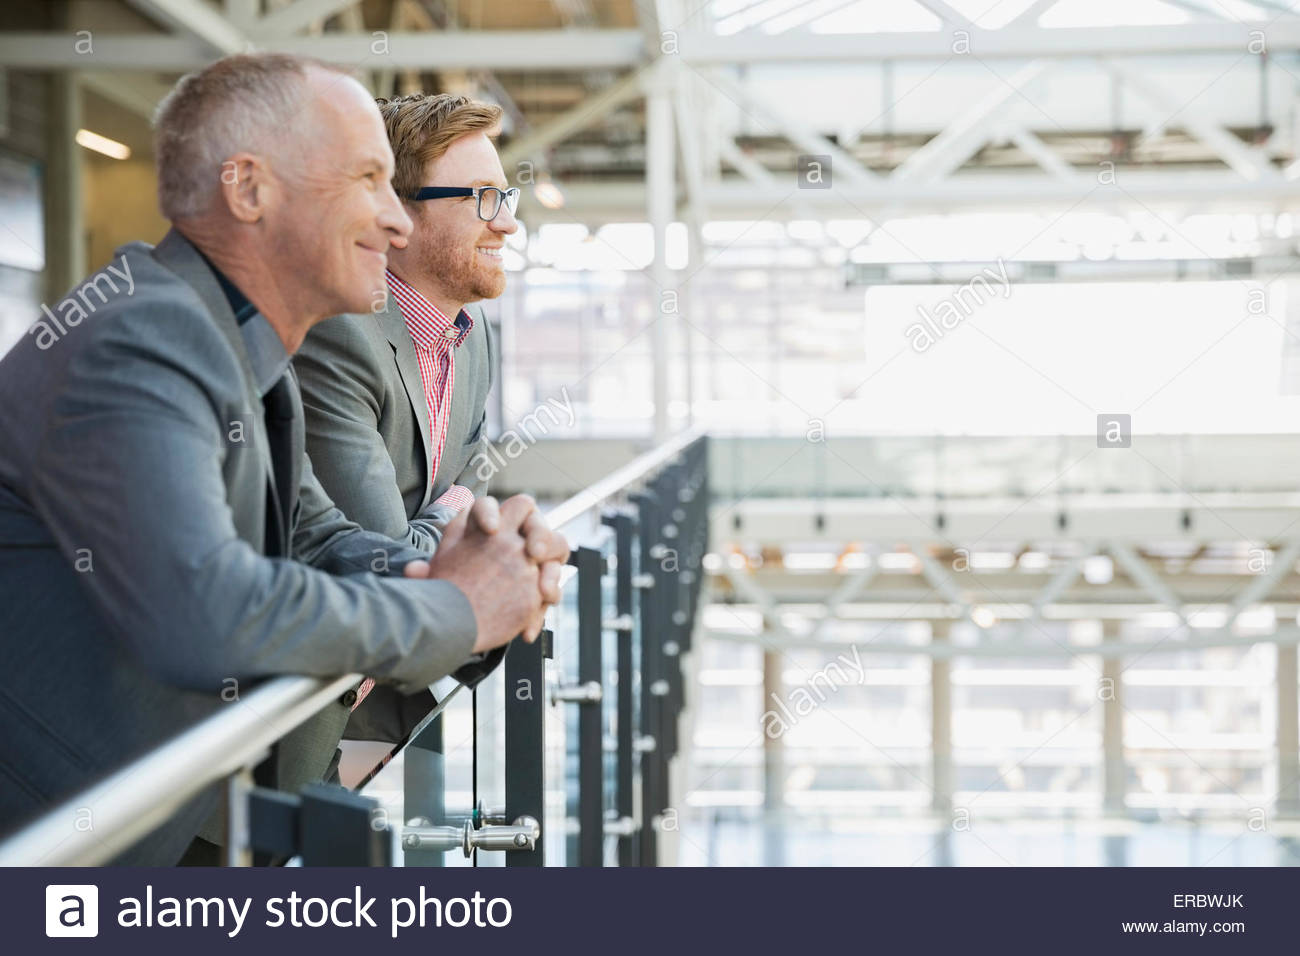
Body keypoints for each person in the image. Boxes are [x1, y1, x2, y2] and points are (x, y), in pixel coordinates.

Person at [0, 53, 566, 865]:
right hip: (57, 841)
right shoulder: (141, 339)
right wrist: (459, 610)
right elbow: (203, 611)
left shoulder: (238, 345)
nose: (398, 221)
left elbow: (317, 536)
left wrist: (471, 563)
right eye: (367, 182)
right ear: (248, 189)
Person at [293, 93, 519, 743]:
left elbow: (458, 510)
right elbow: (388, 572)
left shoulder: (475, 340)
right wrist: (449, 513)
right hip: (255, 748)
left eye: (506, 198)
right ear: (398, 213)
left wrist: (441, 519)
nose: (504, 223)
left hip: (373, 719)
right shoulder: (335, 337)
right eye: (480, 199)